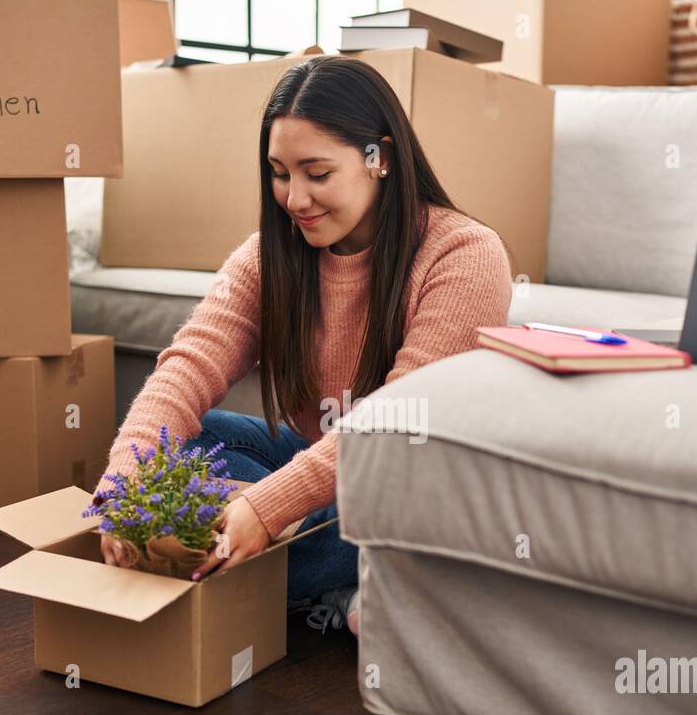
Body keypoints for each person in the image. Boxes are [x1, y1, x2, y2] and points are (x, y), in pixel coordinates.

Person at [94, 54, 514, 637]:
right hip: (326, 475)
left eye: (317, 174)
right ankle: (338, 576)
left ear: (381, 159)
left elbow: (395, 424)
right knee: (191, 437)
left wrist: (265, 510)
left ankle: (293, 564)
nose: (294, 199)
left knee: (380, 500)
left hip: (420, 480)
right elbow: (189, 365)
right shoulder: (271, 253)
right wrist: (122, 488)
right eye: (279, 172)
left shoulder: (463, 254)